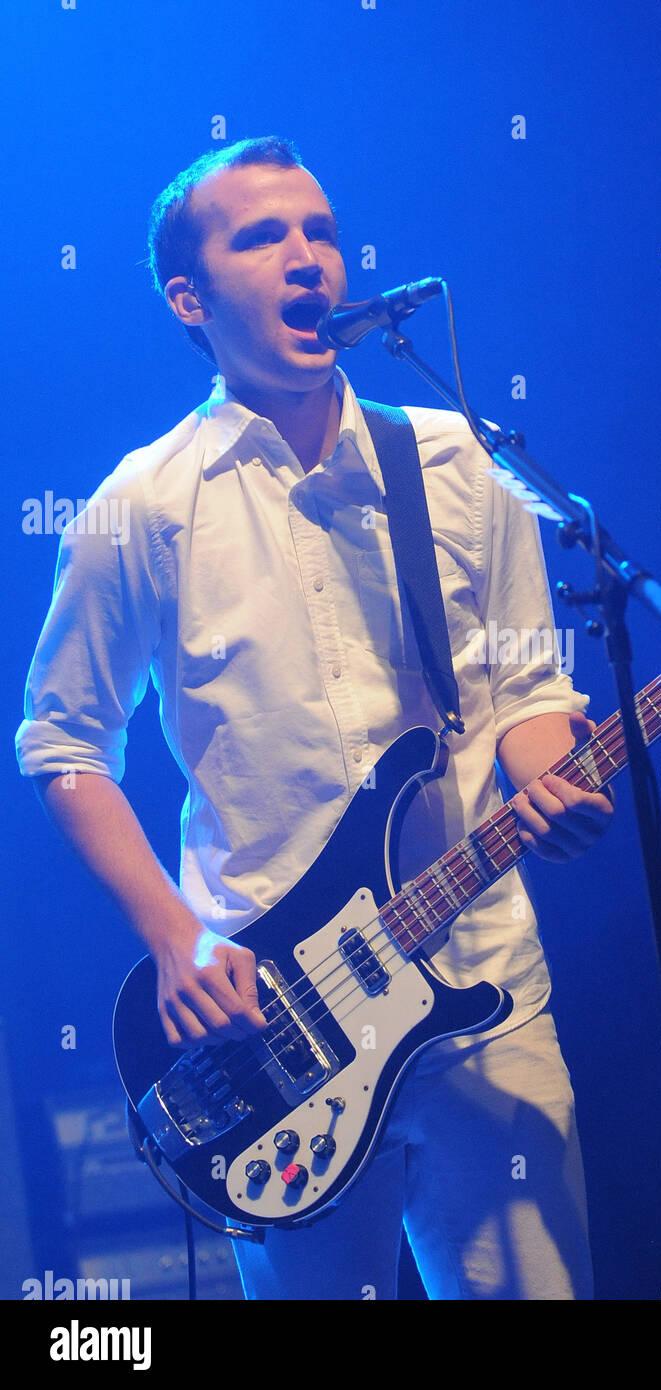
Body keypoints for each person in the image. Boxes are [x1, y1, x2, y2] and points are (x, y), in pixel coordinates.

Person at [15, 137, 614, 1300]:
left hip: (483, 987)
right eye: (262, 237)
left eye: (321, 232)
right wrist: (173, 935)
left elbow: (526, 692)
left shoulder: (456, 461)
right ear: (189, 298)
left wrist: (555, 775)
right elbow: (62, 741)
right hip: (274, 1024)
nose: (306, 258)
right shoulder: (139, 506)